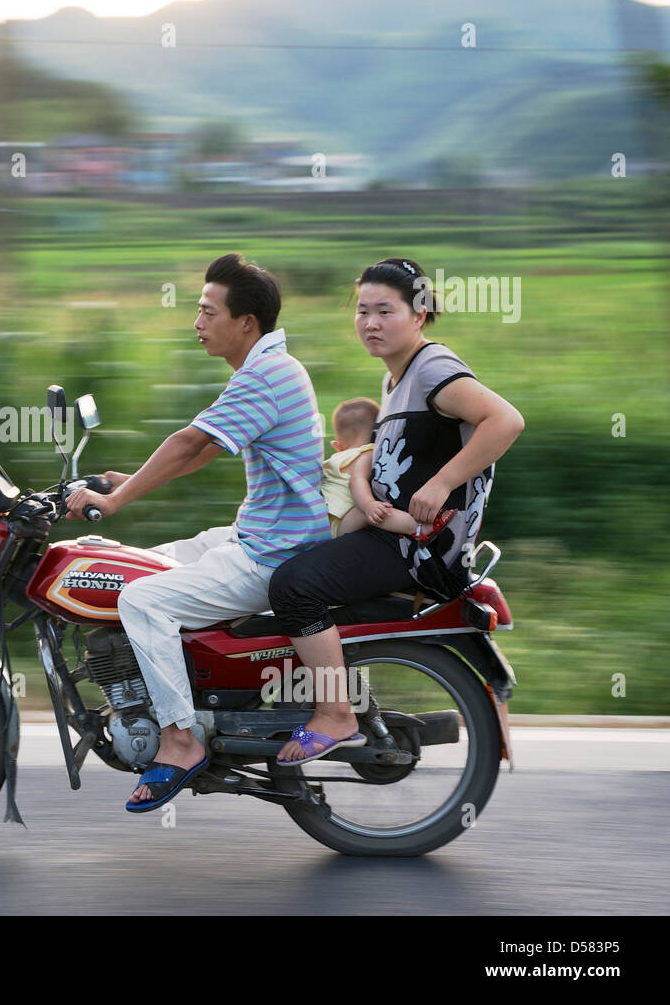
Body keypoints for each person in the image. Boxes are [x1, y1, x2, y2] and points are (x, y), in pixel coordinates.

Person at [66, 253, 331, 812]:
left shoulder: (265, 375)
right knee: (131, 565)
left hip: (271, 553)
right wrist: (129, 478)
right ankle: (176, 698)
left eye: (208, 312)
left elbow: (189, 442)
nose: (197, 322)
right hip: (256, 534)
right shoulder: (271, 368)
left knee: (140, 600)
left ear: (246, 323)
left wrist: (114, 499)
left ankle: (181, 740)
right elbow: (207, 446)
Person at [267, 257, 524, 766]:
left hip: (418, 547)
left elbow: (507, 420)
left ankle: (335, 714)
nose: (370, 323)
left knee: (293, 587)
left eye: (385, 311)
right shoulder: (396, 378)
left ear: (420, 314)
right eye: (363, 311)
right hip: (395, 535)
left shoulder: (433, 368)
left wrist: (443, 481)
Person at [324, 397, 447, 539]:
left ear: (336, 445)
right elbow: (356, 480)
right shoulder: (367, 453)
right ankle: (421, 529)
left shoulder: (333, 460)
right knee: (377, 512)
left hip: (325, 525)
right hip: (343, 523)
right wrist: (369, 504)